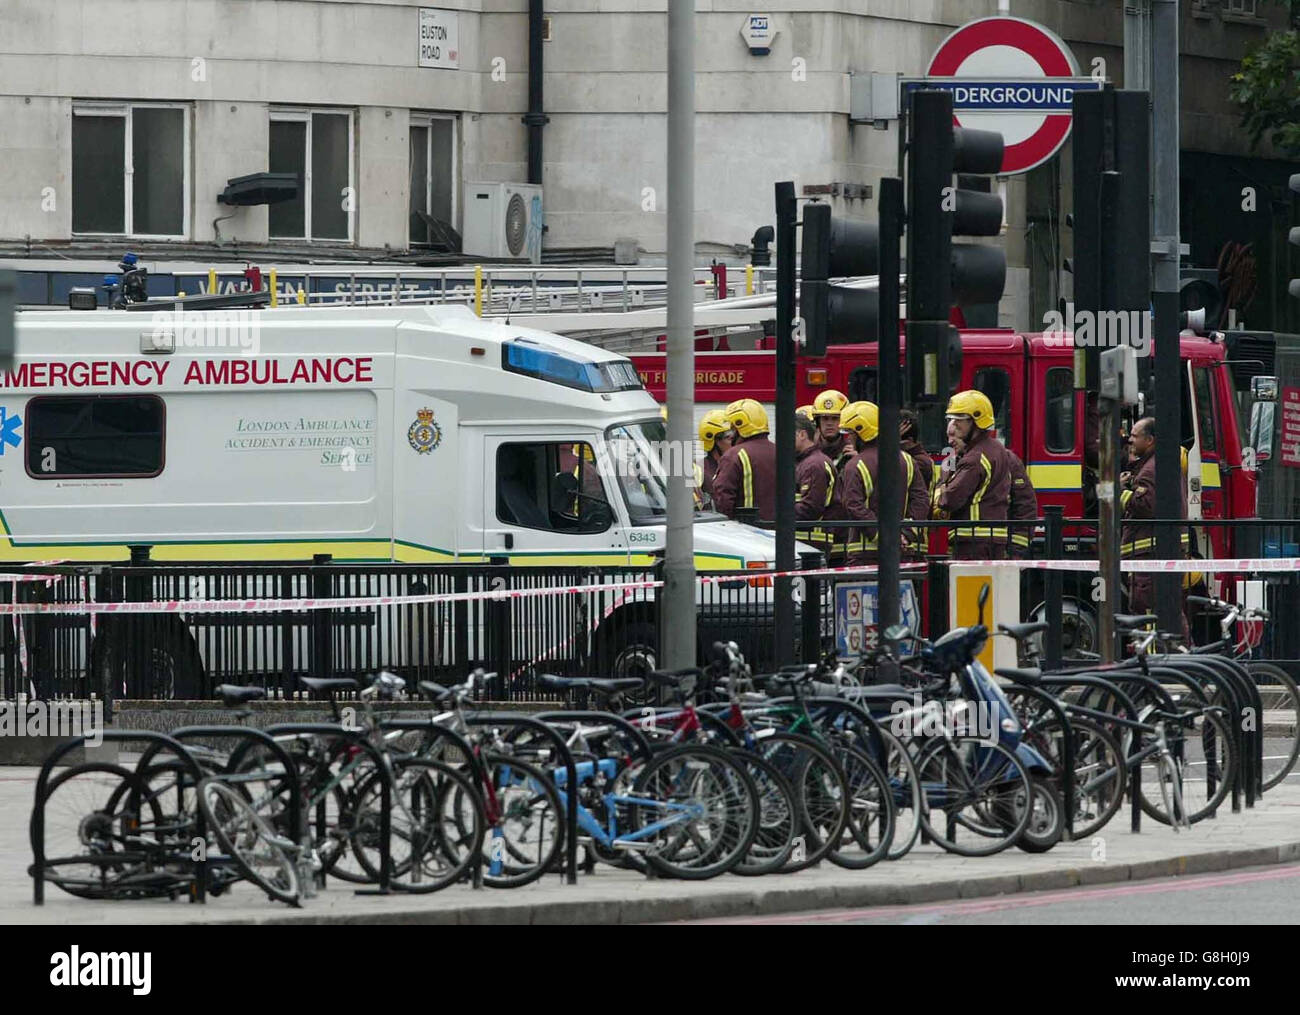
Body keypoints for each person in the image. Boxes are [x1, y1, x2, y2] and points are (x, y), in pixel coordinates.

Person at [839, 401, 928, 565]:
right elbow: (921, 501)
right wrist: (904, 535)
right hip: (905, 551)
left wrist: (883, 535)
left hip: (865, 553)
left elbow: (853, 505)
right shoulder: (907, 460)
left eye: (850, 433)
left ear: (861, 432)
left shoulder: (854, 465)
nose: (849, 439)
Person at [1120, 416, 1190, 625]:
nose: (1129, 440)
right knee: (1169, 611)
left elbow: (1145, 506)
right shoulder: (1157, 463)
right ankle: (1179, 653)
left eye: (1134, 436)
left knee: (1147, 611)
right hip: (1157, 550)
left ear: (1149, 440)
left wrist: (1120, 491)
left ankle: (1153, 656)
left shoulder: (1151, 469)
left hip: (1150, 552)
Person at [932, 389, 1013, 560]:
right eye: (950, 421)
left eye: (958, 422)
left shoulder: (974, 459)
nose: (952, 428)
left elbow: (950, 499)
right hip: (991, 539)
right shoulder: (996, 449)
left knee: (971, 587)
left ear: (976, 422)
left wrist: (939, 492)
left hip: (973, 542)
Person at [712, 398, 776, 521]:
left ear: (740, 425)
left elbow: (723, 500)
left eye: (732, 427)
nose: (731, 433)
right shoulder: (781, 452)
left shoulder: (733, 456)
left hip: (747, 532)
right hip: (779, 533)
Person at [793, 414, 839, 558]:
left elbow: (810, 507)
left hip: (811, 543)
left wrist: (779, 517)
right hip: (807, 541)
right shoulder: (807, 462)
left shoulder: (813, 465)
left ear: (802, 435)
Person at [1004, 447, 1039, 558]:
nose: (950, 441)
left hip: (999, 548)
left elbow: (1025, 506)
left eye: (958, 430)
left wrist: (1016, 550)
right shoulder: (953, 460)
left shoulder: (1007, 459)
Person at [696, 409, 733, 504]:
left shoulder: (736, 466)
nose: (735, 443)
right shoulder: (699, 470)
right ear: (713, 441)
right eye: (729, 438)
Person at [812, 389, 853, 472]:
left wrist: (856, 461)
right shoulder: (809, 452)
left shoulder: (851, 452)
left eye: (835, 418)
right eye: (825, 418)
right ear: (818, 422)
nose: (829, 423)